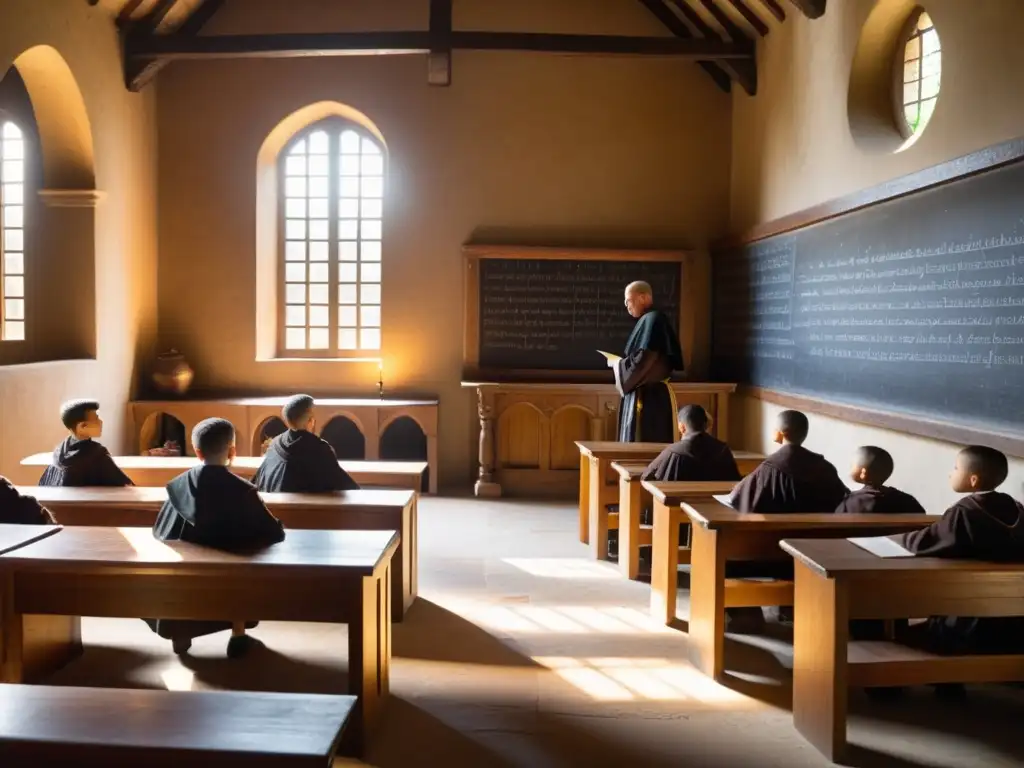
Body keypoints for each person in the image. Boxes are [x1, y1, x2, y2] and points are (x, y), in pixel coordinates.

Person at [148, 417, 286, 658]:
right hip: (226, 585)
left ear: (197, 453)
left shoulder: (178, 485)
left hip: (181, 585)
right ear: (233, 450)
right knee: (243, 558)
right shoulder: (241, 491)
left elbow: (160, 531)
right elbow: (274, 534)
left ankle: (181, 632)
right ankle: (238, 634)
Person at [727, 409, 848, 513]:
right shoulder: (825, 467)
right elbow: (842, 499)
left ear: (780, 433)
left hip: (774, 534)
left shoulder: (770, 467)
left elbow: (736, 499)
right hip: (819, 534)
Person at [610, 281, 684, 443]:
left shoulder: (653, 319)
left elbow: (644, 358)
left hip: (651, 397)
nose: (627, 306)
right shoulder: (649, 319)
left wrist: (618, 365)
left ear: (643, 298)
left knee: (648, 439)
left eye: (629, 301)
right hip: (646, 392)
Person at [252, 394, 359, 493]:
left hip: (271, 508)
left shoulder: (275, 443)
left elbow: (258, 479)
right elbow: (344, 485)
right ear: (311, 421)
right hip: (304, 513)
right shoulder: (320, 449)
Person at [39, 399, 134, 487]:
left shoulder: (59, 451)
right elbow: (126, 485)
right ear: (82, 426)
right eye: (96, 419)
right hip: (86, 505)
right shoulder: (97, 454)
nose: (101, 422)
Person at [641, 404, 741, 483]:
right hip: (717, 507)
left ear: (682, 427)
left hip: (677, 507)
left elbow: (646, 478)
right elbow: (735, 483)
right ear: (706, 424)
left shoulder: (673, 451)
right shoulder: (722, 450)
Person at [834, 446, 927, 515]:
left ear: (863, 473)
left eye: (852, 465)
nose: (850, 467)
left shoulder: (851, 503)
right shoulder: (908, 501)